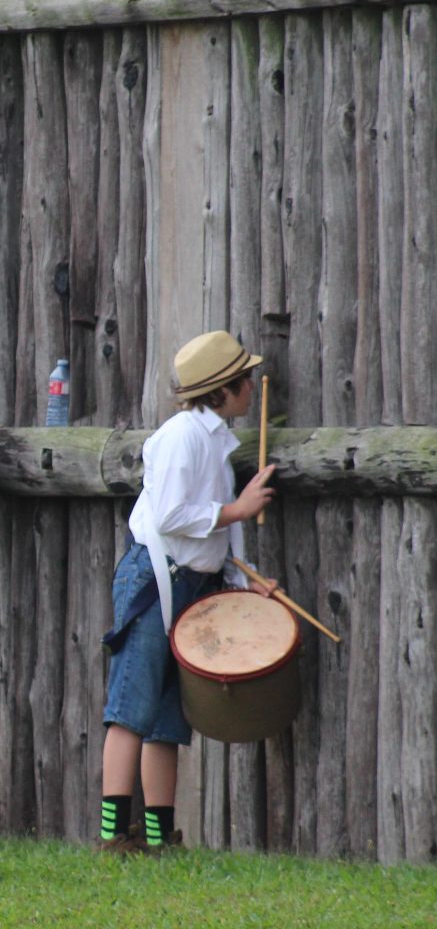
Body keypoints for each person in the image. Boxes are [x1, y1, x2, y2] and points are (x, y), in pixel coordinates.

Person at [99, 330, 276, 854]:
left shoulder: (214, 440)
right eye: (245, 380)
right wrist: (239, 508)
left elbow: (217, 539)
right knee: (132, 705)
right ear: (223, 389)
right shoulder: (183, 435)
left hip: (192, 584)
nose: (252, 388)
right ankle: (111, 837)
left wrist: (247, 583)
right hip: (156, 580)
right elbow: (174, 518)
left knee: (169, 716)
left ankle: (158, 838)